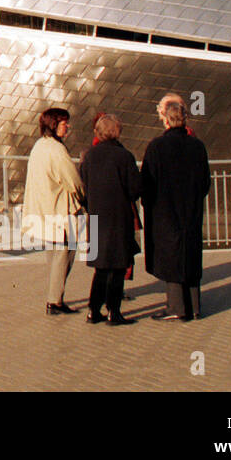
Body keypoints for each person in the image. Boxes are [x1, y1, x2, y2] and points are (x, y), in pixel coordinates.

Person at [142, 97, 211, 320]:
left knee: (171, 257)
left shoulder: (156, 147)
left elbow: (147, 182)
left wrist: (150, 203)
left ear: (166, 121)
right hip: (191, 211)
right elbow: (204, 182)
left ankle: (176, 308)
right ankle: (195, 306)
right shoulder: (197, 146)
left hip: (165, 212)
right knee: (191, 254)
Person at [79, 114, 142, 325]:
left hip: (96, 219)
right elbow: (134, 189)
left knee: (100, 268)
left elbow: (84, 187)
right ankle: (114, 312)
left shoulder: (89, 156)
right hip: (118, 219)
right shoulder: (124, 157)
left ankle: (93, 310)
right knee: (118, 267)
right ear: (117, 131)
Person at [21, 107, 85, 315]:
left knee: (54, 254)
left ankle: (54, 296)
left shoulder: (39, 146)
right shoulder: (57, 150)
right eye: (64, 123)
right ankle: (55, 300)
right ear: (54, 124)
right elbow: (73, 180)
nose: (67, 127)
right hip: (60, 211)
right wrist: (84, 197)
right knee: (64, 254)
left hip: (44, 209)